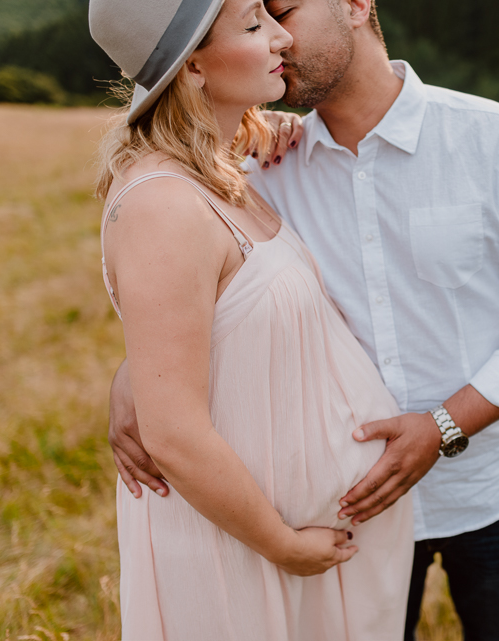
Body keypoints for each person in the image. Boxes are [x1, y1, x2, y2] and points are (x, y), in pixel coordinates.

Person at [108, 0, 499, 638]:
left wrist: (442, 425)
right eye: (260, 19)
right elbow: (208, 298)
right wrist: (134, 373)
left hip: (487, 481)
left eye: (282, 9)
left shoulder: (495, 139)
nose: (278, 36)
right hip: (341, 504)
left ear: (356, 5)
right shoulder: (259, 167)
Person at [90, 0, 413, 638]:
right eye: (252, 24)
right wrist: (282, 545)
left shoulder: (221, 170)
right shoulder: (162, 205)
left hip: (293, 546)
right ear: (191, 71)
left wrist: (258, 128)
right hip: (241, 552)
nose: (280, 36)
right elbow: (174, 433)